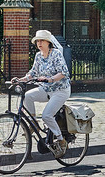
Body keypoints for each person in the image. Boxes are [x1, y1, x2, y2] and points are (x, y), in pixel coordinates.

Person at [19, 29, 71, 158]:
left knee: (47, 115)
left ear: (48, 42)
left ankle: (61, 140)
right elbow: (33, 73)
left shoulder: (56, 54)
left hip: (60, 90)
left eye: (42, 40)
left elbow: (64, 73)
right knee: (27, 96)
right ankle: (33, 124)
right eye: (37, 41)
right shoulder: (38, 56)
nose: (39, 43)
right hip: (46, 89)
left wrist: (51, 79)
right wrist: (22, 79)